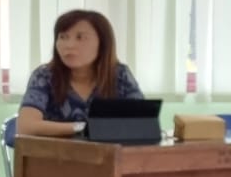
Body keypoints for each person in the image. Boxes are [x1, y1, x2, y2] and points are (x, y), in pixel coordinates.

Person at [17, 9, 144, 139]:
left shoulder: (119, 74)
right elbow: (26, 127)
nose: (69, 45)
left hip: (107, 156)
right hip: (56, 156)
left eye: (80, 37)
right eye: (63, 37)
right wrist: (84, 128)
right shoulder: (44, 76)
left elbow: (143, 124)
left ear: (103, 43)